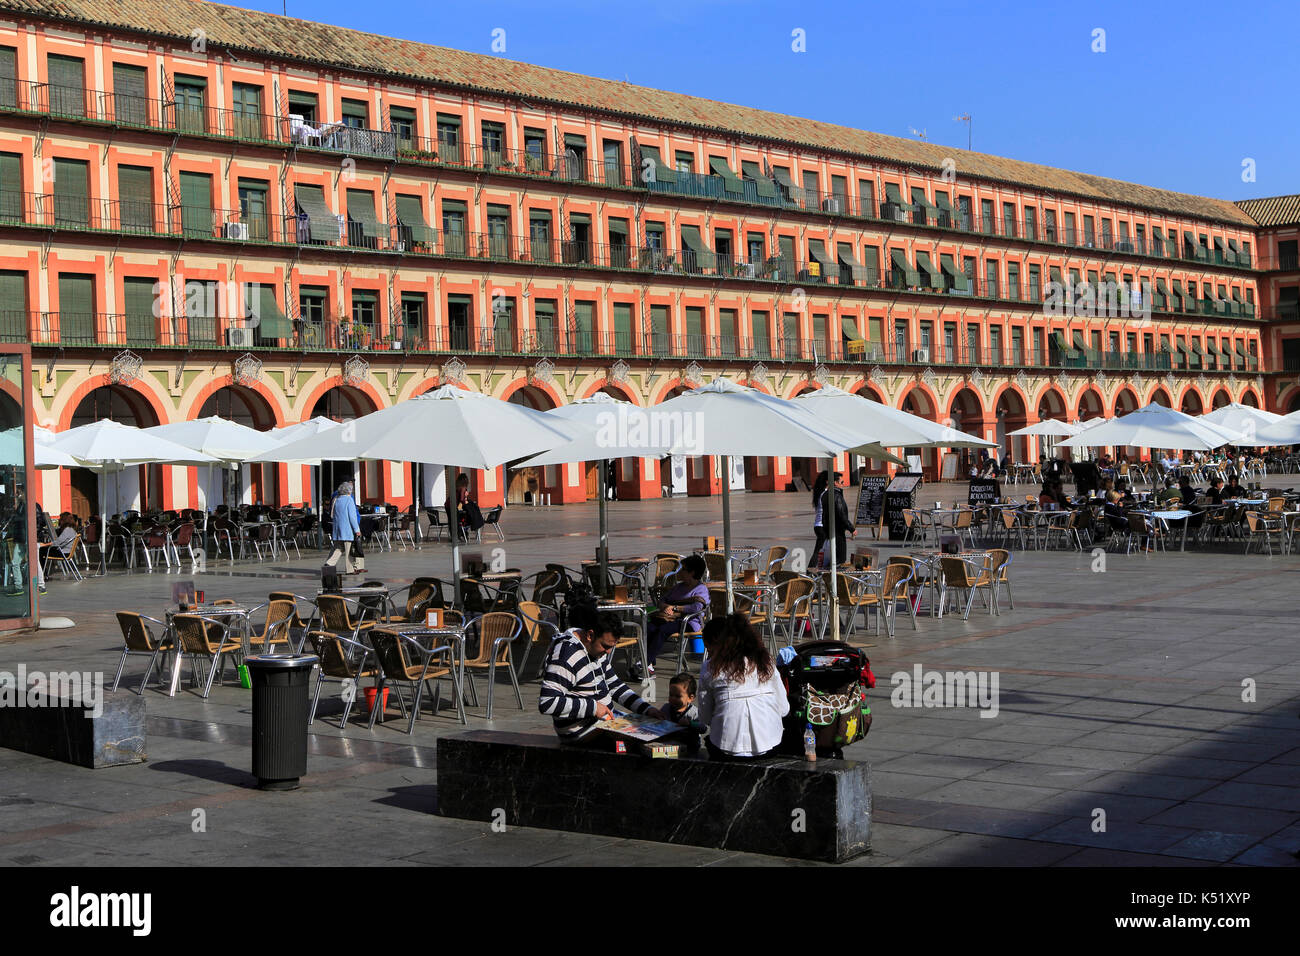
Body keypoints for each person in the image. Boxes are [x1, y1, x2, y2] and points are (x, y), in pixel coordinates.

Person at [539, 606, 661, 742]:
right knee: (648, 744)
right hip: (583, 732)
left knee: (662, 732)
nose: (608, 652)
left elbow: (614, 685)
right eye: (606, 646)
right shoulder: (566, 656)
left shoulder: (596, 649)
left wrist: (646, 709)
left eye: (611, 647)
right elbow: (547, 703)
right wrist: (593, 707)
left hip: (605, 722)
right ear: (590, 635)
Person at [696, 614, 789, 760]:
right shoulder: (766, 662)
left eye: (710, 650)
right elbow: (784, 709)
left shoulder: (709, 668)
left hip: (726, 748)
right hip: (771, 744)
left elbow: (705, 717)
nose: (709, 655)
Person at [641, 553, 708, 679]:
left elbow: (697, 607)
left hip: (689, 622)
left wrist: (676, 608)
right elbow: (663, 600)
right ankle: (649, 664)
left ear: (692, 573)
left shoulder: (700, 589)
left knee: (662, 630)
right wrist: (664, 606)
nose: (679, 572)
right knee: (649, 628)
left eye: (683, 569)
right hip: (670, 618)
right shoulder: (678, 587)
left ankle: (643, 663)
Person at [819, 471, 856, 567]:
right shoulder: (837, 496)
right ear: (835, 482)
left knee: (829, 558)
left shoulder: (824, 495)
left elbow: (824, 515)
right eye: (842, 482)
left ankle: (829, 578)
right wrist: (851, 528)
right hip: (838, 532)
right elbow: (841, 515)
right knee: (840, 559)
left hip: (828, 531)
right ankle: (838, 579)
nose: (843, 484)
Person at [325, 480, 362, 574]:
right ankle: (350, 570)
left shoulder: (336, 499)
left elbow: (332, 514)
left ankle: (329, 563)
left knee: (339, 548)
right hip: (347, 529)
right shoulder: (349, 500)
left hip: (338, 528)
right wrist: (357, 529)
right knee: (349, 550)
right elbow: (352, 517)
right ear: (349, 490)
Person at [665, 672, 705, 750]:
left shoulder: (694, 712)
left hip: (690, 747)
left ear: (690, 698)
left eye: (678, 696)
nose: (673, 698)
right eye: (671, 695)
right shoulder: (666, 708)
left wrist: (690, 723)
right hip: (670, 744)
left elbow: (703, 728)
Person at [809, 471, 828, 567]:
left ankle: (815, 569)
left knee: (820, 550)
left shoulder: (819, 492)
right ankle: (810, 570)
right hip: (822, 526)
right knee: (818, 550)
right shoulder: (824, 494)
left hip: (817, 525)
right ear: (827, 481)